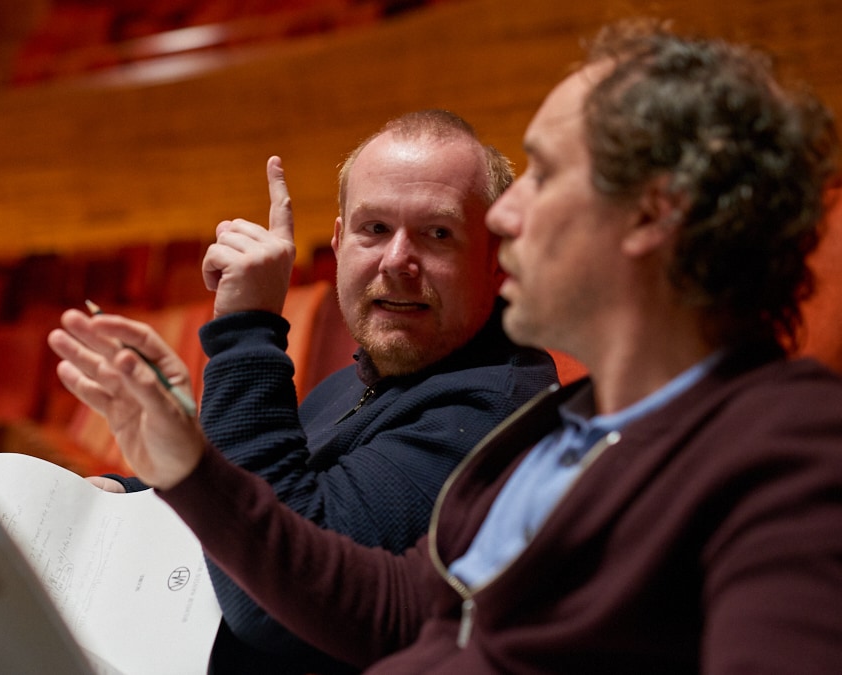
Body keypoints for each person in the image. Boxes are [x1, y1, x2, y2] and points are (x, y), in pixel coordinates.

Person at [51, 18, 842, 674]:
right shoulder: (573, 425)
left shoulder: (788, 448)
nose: (502, 219)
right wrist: (186, 469)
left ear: (651, 216)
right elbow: (399, 607)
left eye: (545, 172)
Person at [52, 110, 557, 673]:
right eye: (375, 229)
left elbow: (272, 604)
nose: (397, 262)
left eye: (438, 234)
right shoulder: (365, 378)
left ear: (499, 261)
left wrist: (246, 332)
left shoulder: (496, 413)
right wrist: (128, 493)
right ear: (339, 243)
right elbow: (256, 491)